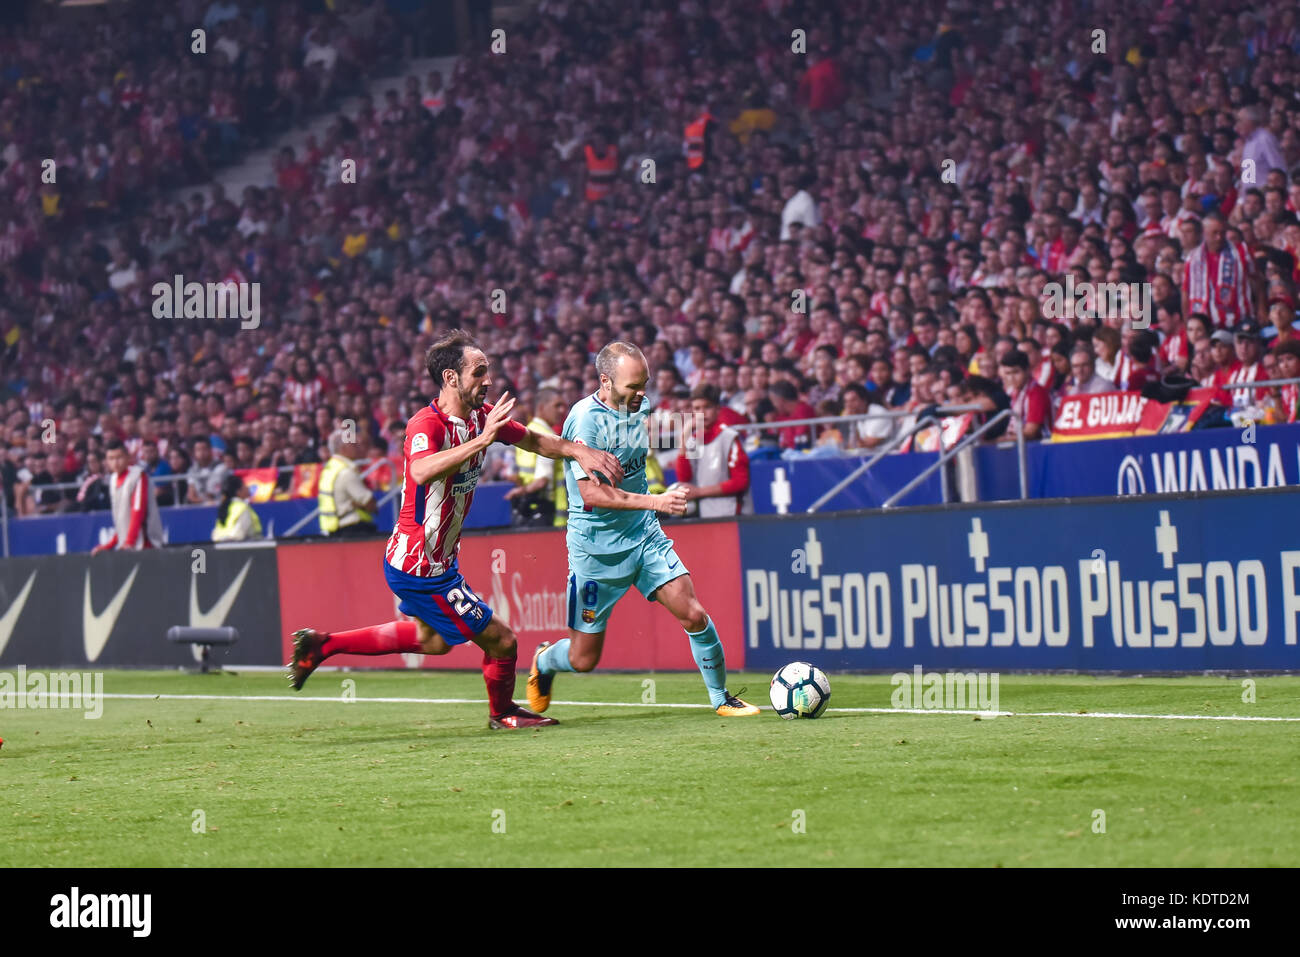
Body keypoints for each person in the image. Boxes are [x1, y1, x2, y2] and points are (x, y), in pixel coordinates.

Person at [286, 330, 625, 730]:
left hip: (434, 561)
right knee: (503, 641)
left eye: (488, 371)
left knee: (433, 640)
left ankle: (323, 644)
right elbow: (421, 470)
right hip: (419, 566)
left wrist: (578, 449)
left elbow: (533, 440)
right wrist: (483, 440)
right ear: (450, 378)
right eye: (479, 372)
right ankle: (502, 714)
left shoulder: (482, 418)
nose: (488, 380)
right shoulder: (425, 424)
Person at [526, 341, 761, 718]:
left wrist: (652, 501)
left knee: (693, 614)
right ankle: (545, 661)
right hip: (596, 551)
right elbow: (591, 493)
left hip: (644, 535)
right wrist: (656, 500)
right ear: (605, 381)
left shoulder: (641, 406)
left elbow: (634, 461)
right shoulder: (585, 420)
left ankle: (721, 698)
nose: (641, 394)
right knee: (583, 659)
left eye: (645, 384)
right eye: (632, 386)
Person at [674, 385, 751, 517]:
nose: (702, 413)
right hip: (705, 514)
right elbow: (684, 478)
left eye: (707, 407)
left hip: (731, 512)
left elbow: (740, 482)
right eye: (697, 408)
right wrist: (683, 439)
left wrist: (699, 492)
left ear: (717, 409)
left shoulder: (729, 437)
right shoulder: (694, 440)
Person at [506, 387, 568, 527]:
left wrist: (521, 489)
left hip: (529, 509)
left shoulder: (526, 432)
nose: (561, 410)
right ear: (541, 407)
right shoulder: (545, 436)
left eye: (563, 406)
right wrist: (523, 490)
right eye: (557, 405)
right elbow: (542, 481)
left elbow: (514, 475)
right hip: (548, 513)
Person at [91, 440, 163, 553]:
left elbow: (138, 511)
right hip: (127, 545)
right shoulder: (113, 479)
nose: (115, 462)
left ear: (128, 457)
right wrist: (110, 544)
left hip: (145, 544)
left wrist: (129, 542)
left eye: (119, 457)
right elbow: (121, 521)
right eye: (111, 458)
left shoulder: (138, 475)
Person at [318, 430, 379, 537]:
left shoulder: (329, 469)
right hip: (354, 530)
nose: (358, 448)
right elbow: (371, 505)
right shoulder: (347, 472)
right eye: (354, 444)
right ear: (343, 448)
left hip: (333, 530)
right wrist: (364, 505)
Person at [212, 473, 262, 542]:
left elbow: (215, 534)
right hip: (237, 547)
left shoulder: (225, 506)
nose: (247, 487)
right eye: (244, 485)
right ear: (238, 492)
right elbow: (239, 535)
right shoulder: (242, 508)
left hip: (219, 545)